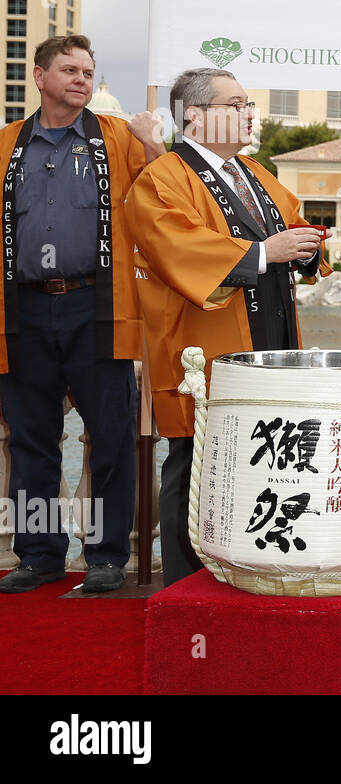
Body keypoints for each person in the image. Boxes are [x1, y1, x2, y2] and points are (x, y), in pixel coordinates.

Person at [125, 67, 325, 586]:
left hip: (270, 336)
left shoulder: (254, 172)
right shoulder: (163, 176)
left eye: (247, 105)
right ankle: (186, 584)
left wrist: (306, 247)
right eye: (234, 105)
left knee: (258, 456)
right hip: (204, 346)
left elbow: (292, 223)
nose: (248, 114)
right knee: (196, 463)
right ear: (194, 115)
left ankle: (247, 570)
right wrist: (262, 252)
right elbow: (174, 248)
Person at [0, 35, 161, 595]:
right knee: (32, 438)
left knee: (111, 437)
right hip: (23, 311)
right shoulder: (5, 147)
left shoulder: (119, 140)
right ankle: (40, 554)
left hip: (97, 307)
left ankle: (106, 556)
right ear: (39, 76)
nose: (81, 79)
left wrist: (156, 147)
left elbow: (170, 198)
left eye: (88, 71)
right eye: (68, 69)